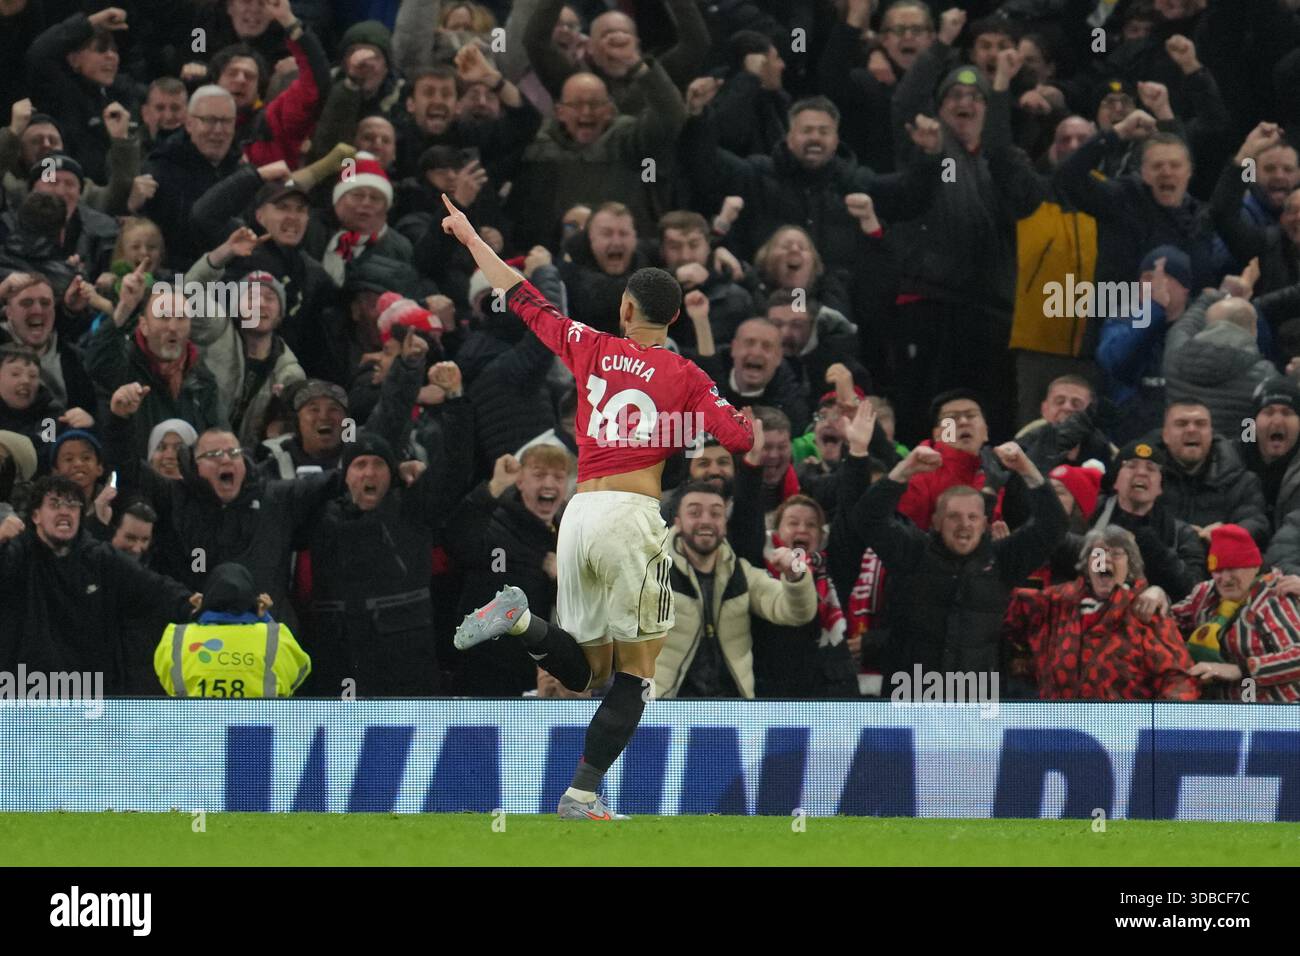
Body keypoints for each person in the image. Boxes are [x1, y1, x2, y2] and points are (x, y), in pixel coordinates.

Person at [442, 194, 753, 820]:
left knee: (585, 673)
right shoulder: (688, 375)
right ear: (672, 318)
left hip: (578, 518)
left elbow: (525, 297)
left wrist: (473, 241)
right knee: (639, 678)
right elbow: (740, 441)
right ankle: (581, 795)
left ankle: (520, 620)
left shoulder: (589, 345)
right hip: (632, 519)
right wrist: (729, 417)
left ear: (626, 308)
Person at [849, 406, 1068, 700]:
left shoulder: (1001, 559)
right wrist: (905, 468)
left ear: (985, 522)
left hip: (975, 703)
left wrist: (1027, 469)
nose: (964, 525)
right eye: (954, 517)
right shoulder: (912, 551)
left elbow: (1053, 525)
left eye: (973, 518)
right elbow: (866, 518)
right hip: (911, 698)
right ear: (936, 522)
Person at [0, 474, 195, 691]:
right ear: (36, 515)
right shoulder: (17, 554)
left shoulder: (101, 558)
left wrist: (191, 603)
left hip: (90, 700)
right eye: (54, 504)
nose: (65, 511)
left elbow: (154, 589)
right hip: (21, 698)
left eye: (72, 505)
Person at [655, 481, 815, 699]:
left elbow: (796, 613)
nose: (706, 521)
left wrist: (795, 575)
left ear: (725, 523)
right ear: (678, 523)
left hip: (733, 710)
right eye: (694, 512)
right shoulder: (652, 573)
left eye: (716, 513)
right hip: (666, 709)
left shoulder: (742, 573)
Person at [1002, 526, 1198, 700]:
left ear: (1130, 566)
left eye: (1117, 554)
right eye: (1098, 554)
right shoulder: (1055, 602)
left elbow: (1178, 679)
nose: (1106, 559)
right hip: (1058, 730)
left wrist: (1161, 730)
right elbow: (1001, 612)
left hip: (1122, 734)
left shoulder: (1146, 613)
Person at [1164, 525, 1300, 703]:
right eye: (1218, 571)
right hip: (1217, 709)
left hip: (1276, 710)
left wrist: (1243, 670)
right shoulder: (1205, 594)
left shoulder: (1275, 595)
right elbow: (1165, 624)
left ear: (1254, 567)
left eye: (1233, 569)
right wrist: (1157, 595)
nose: (1225, 579)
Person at [156, 561, 310, 698]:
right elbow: (299, 672)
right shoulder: (275, 636)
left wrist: (196, 616)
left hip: (195, 726)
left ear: (207, 597)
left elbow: (167, 679)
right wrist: (266, 620)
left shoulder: (177, 636)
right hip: (258, 725)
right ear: (252, 599)